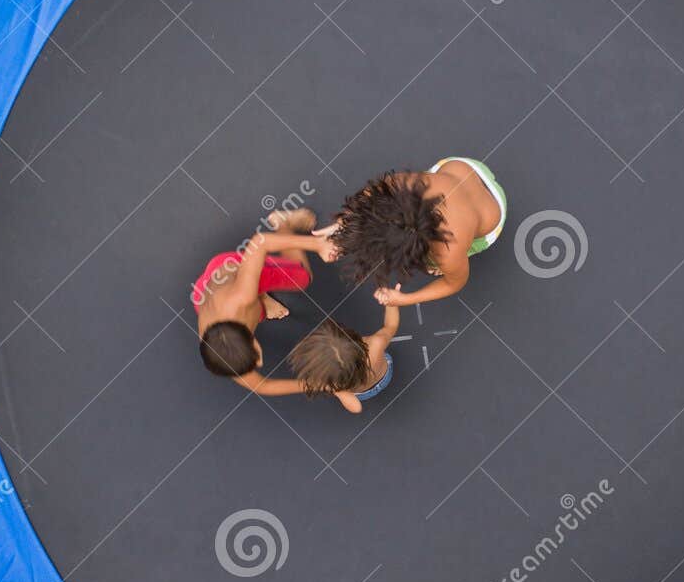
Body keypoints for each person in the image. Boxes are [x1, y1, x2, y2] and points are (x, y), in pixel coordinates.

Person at [316, 158, 506, 308]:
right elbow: (373, 196)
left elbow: (454, 283)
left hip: (493, 210)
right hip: (464, 168)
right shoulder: (397, 183)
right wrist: (345, 223)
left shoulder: (448, 252)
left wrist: (407, 299)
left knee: (441, 263)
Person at [193, 208, 336, 393]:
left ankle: (284, 222)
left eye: (256, 360)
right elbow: (263, 386)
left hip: (230, 268)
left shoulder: (241, 298)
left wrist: (317, 245)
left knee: (301, 278)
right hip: (203, 294)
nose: (260, 363)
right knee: (254, 309)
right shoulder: (222, 355)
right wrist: (324, 386)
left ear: (254, 343)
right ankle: (261, 301)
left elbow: (260, 242)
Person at [286, 296, 402, 414]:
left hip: (362, 394)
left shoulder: (334, 384)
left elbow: (355, 407)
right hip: (385, 376)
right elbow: (391, 325)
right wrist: (391, 301)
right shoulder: (376, 344)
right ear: (352, 337)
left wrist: (337, 391)